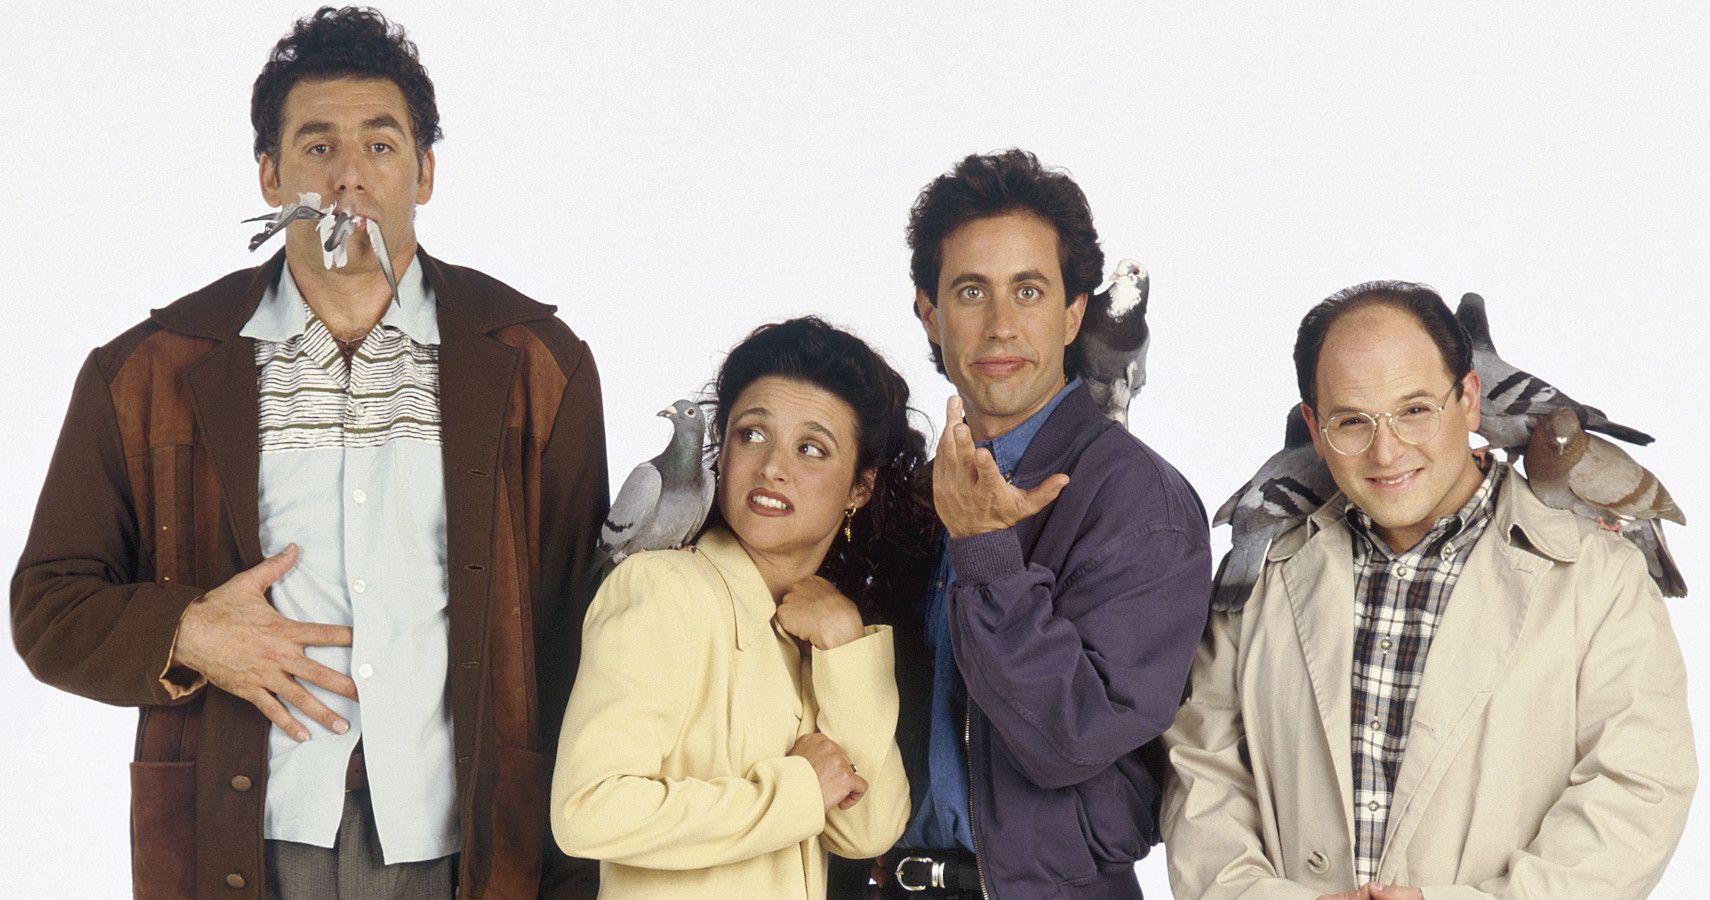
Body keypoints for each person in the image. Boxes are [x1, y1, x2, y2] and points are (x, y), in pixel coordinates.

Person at [10, 8, 607, 898]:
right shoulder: (147, 372)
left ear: (425, 173)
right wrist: (190, 631)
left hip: (472, 842)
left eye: (381, 145)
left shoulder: (536, 367)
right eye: (318, 146)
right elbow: (49, 608)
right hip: (241, 838)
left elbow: (578, 627)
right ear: (270, 175)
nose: (349, 176)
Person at [1161, 282, 1697, 899]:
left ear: (1469, 400)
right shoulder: (1260, 576)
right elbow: (1200, 774)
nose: (1387, 451)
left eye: (1415, 410)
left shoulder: (1601, 579)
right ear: (1313, 425)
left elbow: (1636, 791)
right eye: (1351, 421)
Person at [870, 149, 1212, 898]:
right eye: (971, 291)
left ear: (1074, 314)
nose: (1000, 326)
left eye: (1028, 291)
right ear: (929, 314)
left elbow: (1071, 738)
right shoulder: (920, 489)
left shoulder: (1139, 502)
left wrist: (986, 551)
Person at [551, 317, 935, 899]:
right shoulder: (661, 591)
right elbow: (588, 811)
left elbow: (866, 832)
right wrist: (798, 790)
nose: (772, 467)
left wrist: (845, 644)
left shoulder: (825, 633)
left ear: (860, 488)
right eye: (752, 435)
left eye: (811, 449)